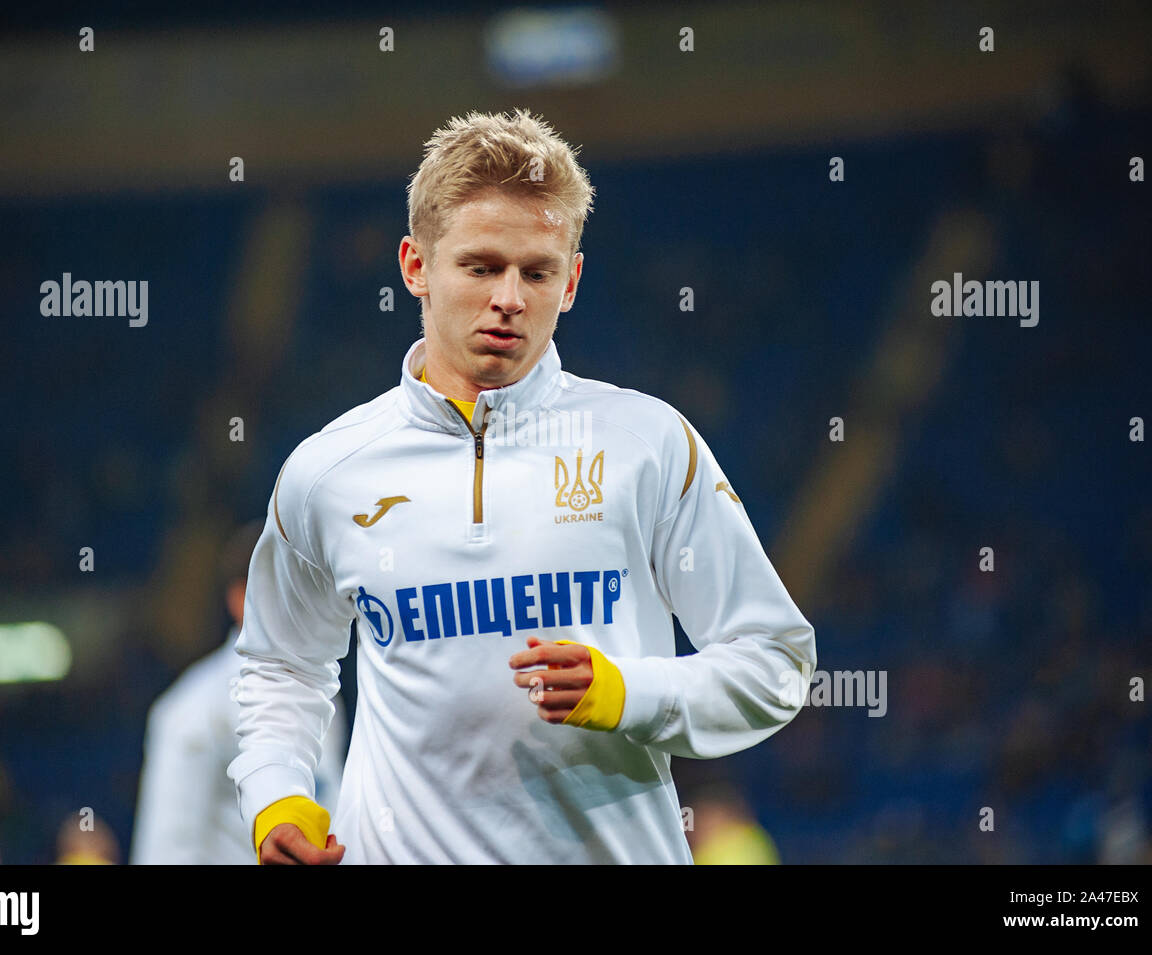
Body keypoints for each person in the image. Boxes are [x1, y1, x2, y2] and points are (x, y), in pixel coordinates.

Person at [230, 107, 815, 864]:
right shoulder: (329, 470)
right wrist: (276, 794)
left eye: (536, 271)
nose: (509, 297)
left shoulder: (647, 443)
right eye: (479, 266)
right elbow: (281, 663)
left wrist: (628, 694)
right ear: (415, 267)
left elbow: (775, 661)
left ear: (570, 281)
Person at [131, 523, 346, 864]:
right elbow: (167, 848)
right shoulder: (191, 707)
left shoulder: (321, 685)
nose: (299, 598)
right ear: (238, 597)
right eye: (282, 586)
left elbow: (331, 803)